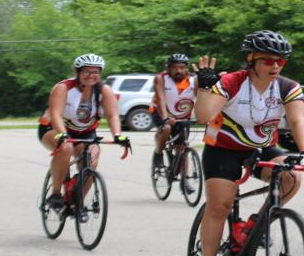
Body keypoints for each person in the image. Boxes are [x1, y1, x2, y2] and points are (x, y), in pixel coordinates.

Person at [189, 30, 304, 256]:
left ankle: (255, 226)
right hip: (223, 150)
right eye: (268, 61)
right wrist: (204, 88)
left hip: (260, 149)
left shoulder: (287, 87)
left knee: (290, 178)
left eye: (281, 61)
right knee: (220, 206)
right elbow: (204, 116)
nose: (275, 66)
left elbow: (298, 122)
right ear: (251, 60)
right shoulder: (232, 82)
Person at [37, 53, 130, 220]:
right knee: (65, 148)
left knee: (92, 158)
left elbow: (112, 115)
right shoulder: (63, 87)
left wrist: (118, 135)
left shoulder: (104, 90)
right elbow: (56, 114)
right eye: (86, 72)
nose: (91, 76)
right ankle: (56, 194)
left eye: (95, 72)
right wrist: (62, 134)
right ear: (78, 72)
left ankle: (77, 202)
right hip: (54, 128)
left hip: (85, 132)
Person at [151, 53, 195, 179]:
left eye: (181, 67)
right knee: (167, 128)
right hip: (161, 111)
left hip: (182, 116)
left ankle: (185, 179)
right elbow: (160, 98)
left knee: (182, 148)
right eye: (174, 67)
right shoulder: (161, 78)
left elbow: (200, 98)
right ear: (168, 68)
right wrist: (165, 118)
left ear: (186, 68)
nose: (178, 70)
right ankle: (158, 154)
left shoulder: (193, 80)